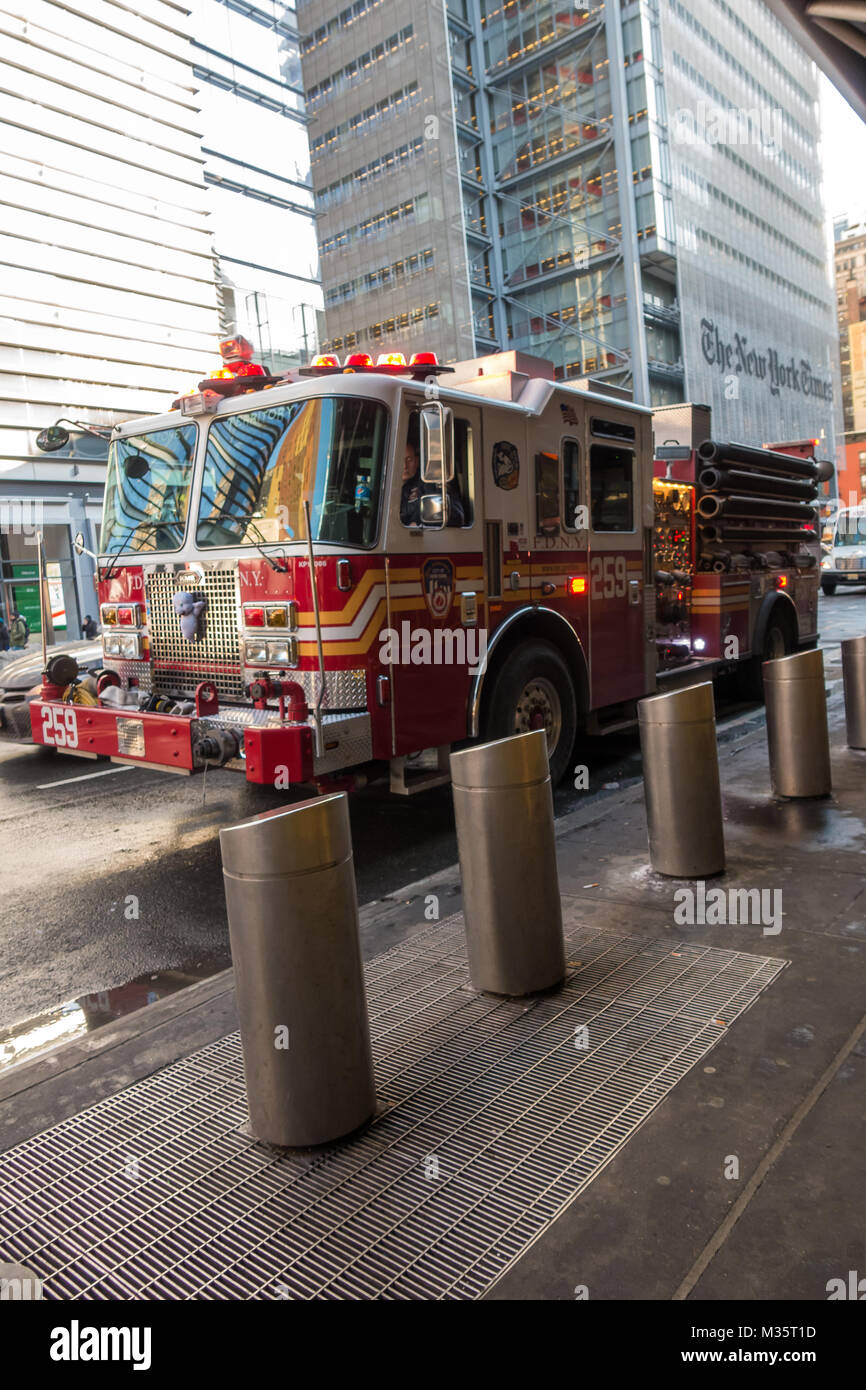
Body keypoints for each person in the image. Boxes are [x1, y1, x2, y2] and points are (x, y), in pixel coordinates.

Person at [399, 439, 464, 528]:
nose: (404, 466)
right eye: (400, 460)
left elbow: (455, 513)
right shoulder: (385, 490)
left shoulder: (430, 482)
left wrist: (417, 523)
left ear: (417, 461)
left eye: (409, 459)